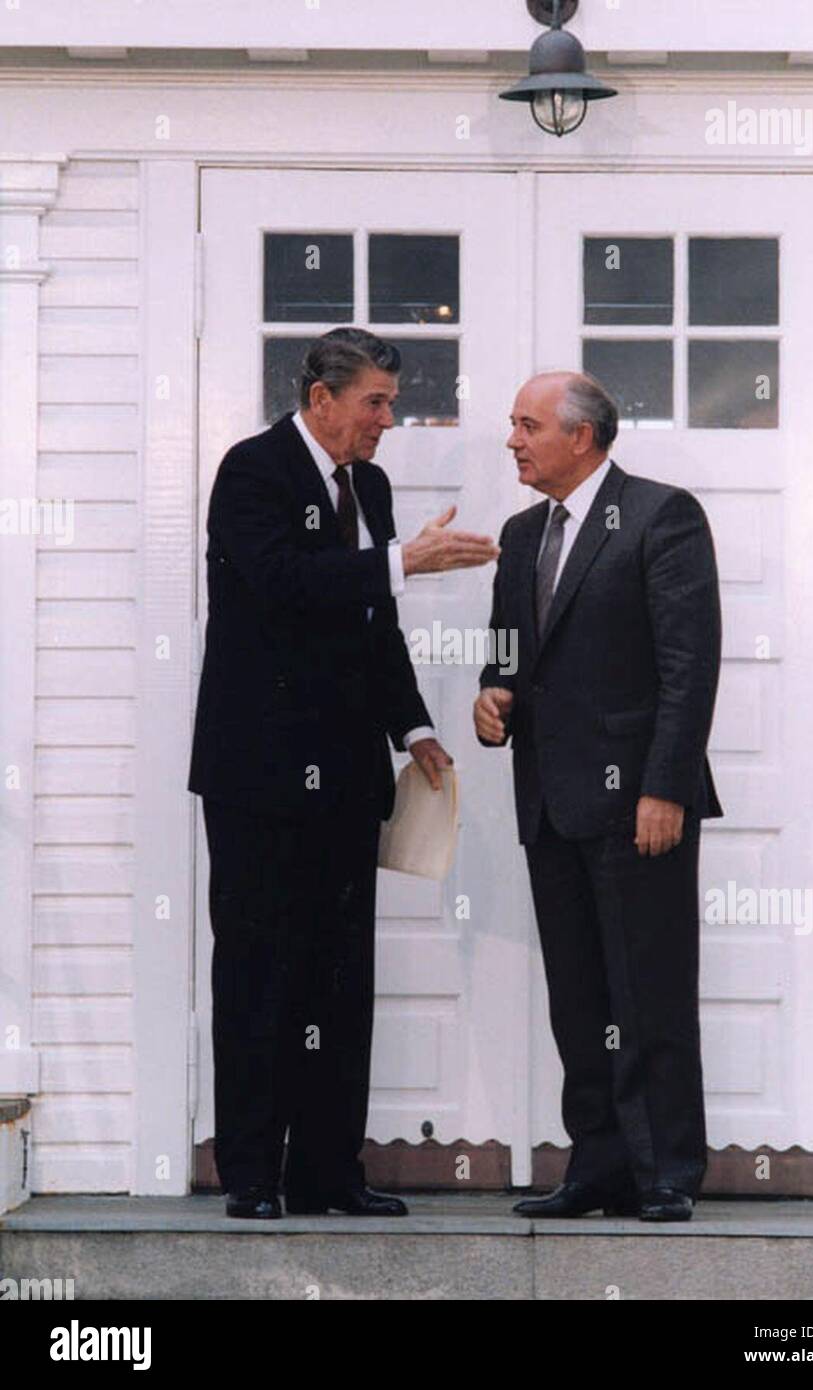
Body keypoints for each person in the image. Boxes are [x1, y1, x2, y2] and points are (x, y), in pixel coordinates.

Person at [189, 327, 498, 1219]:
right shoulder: (252, 472)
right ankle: (252, 1174)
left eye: (391, 404)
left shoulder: (371, 485)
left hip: (345, 772)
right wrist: (405, 562)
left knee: (336, 975)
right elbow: (285, 581)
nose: (387, 420)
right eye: (374, 403)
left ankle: (328, 1170)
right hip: (258, 774)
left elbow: (373, 618)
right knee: (258, 970)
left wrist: (411, 726)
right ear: (320, 399)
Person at [474, 371, 723, 1222]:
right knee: (579, 997)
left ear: (580, 436)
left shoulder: (661, 516)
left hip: (637, 802)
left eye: (526, 425)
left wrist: (666, 788)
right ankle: (598, 1167)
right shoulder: (517, 533)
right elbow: (508, 652)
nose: (512, 440)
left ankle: (665, 1172)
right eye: (513, 424)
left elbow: (689, 669)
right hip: (549, 800)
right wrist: (489, 694)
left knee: (647, 988)